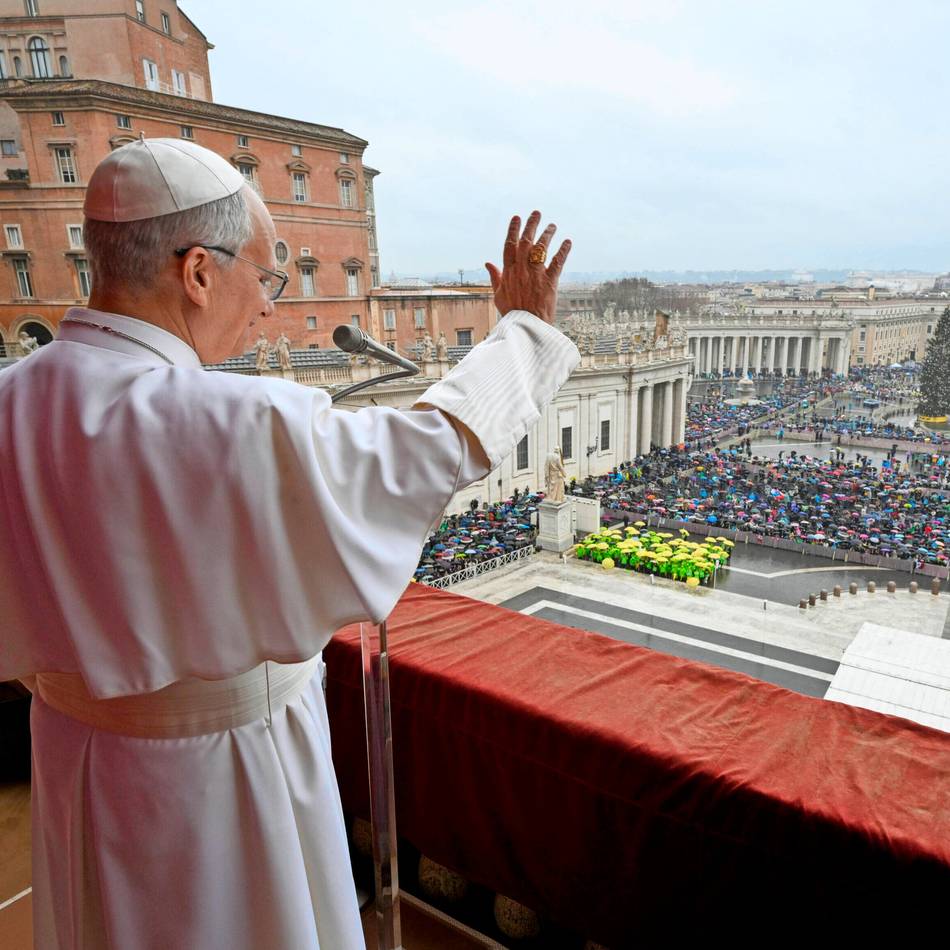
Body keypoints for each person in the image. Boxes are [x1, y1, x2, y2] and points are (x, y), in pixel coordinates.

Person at [0, 138, 579, 949]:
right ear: (198, 271)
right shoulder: (235, 421)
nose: (269, 305)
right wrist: (521, 333)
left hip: (74, 761)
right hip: (222, 780)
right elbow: (426, 452)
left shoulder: (9, 399)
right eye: (264, 277)